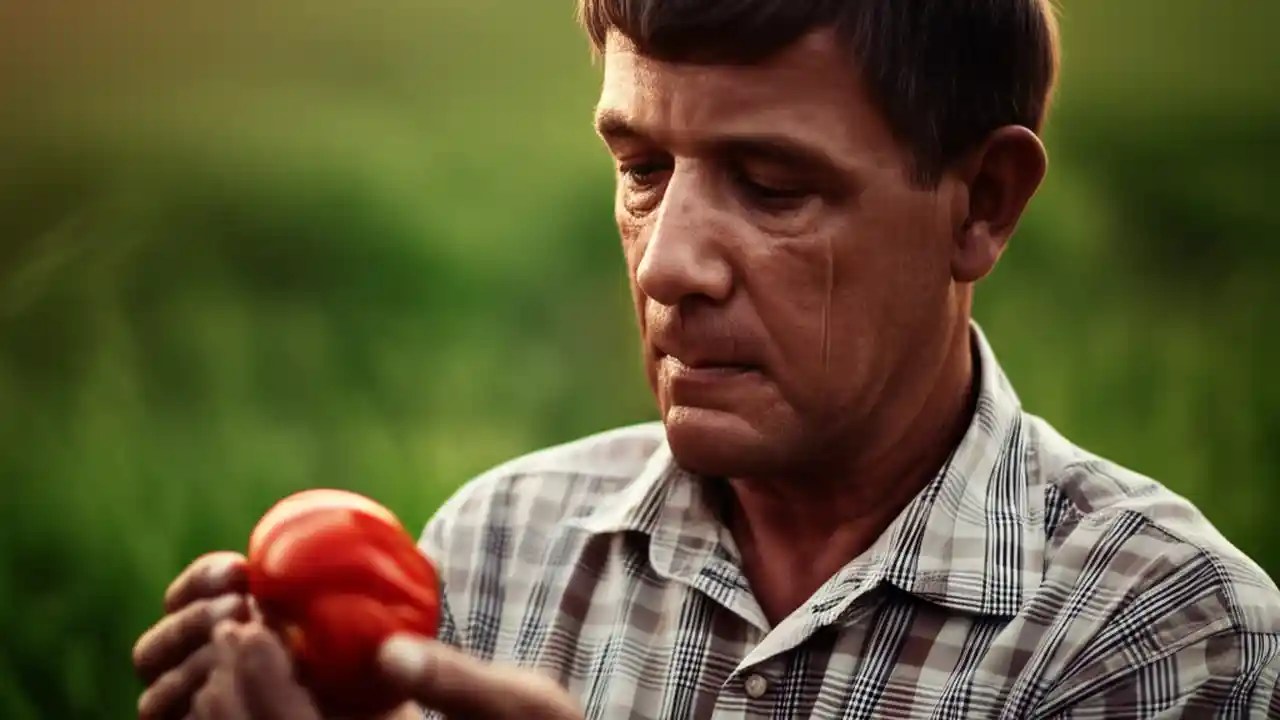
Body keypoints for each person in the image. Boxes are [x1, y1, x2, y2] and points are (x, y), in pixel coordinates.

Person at [132, 1, 1280, 718]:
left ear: (979, 203)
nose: (666, 263)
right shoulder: (490, 556)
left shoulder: (1158, 636)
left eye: (771, 186)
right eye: (639, 169)